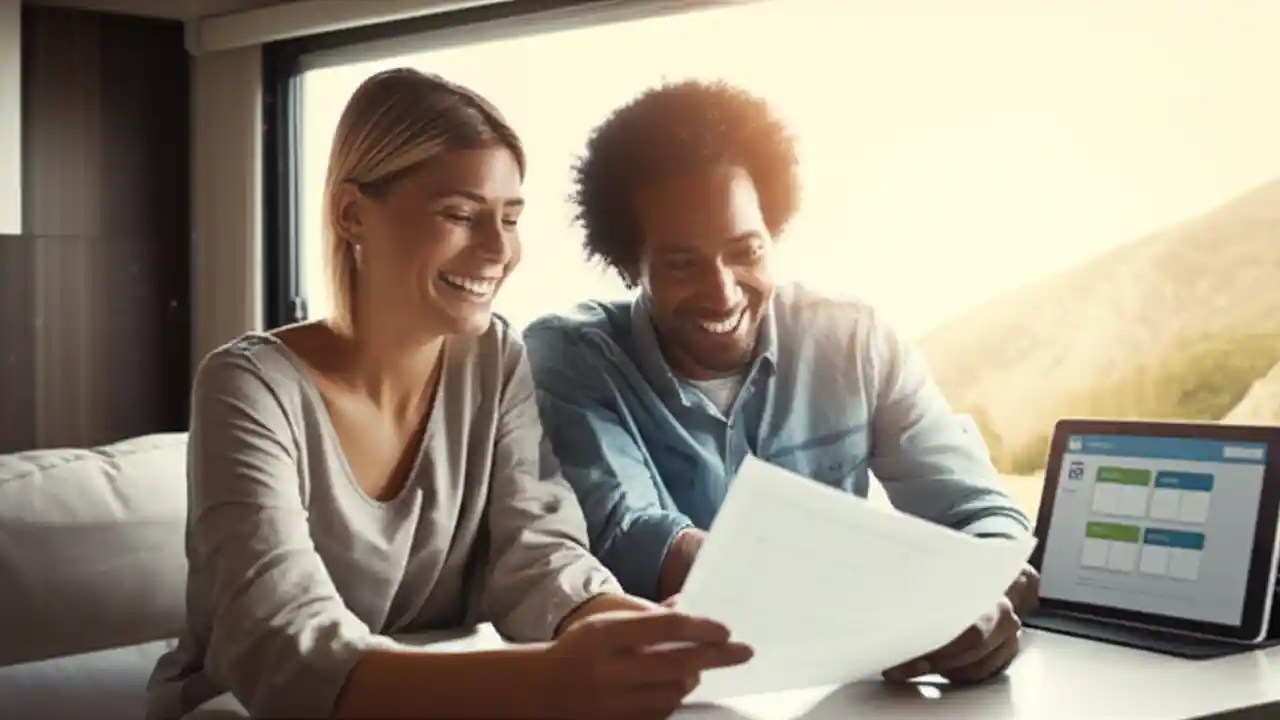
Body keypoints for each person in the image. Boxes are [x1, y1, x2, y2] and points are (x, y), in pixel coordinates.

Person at [147, 69, 751, 720]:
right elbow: (279, 645)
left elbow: (538, 555)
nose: (498, 249)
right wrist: (547, 682)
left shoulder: (494, 359)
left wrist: (626, 632)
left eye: (510, 219)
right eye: (460, 215)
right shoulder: (249, 387)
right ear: (353, 214)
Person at [524, 80, 1039, 686]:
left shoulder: (854, 341)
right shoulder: (572, 357)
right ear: (628, 264)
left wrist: (976, 595)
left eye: (746, 251)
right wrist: (897, 599)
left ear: (774, 233)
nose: (722, 291)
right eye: (681, 264)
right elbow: (637, 538)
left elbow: (982, 515)